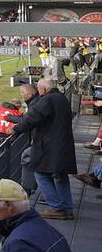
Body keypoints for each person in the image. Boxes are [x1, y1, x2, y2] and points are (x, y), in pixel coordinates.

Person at [11, 76, 77, 220]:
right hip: (62, 143)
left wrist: (16, 129)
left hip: (51, 144)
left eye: (40, 89)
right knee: (60, 176)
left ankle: (57, 207)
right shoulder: (60, 98)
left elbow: (32, 117)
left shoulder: (47, 99)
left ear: (44, 89)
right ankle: (67, 208)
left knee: (40, 172)